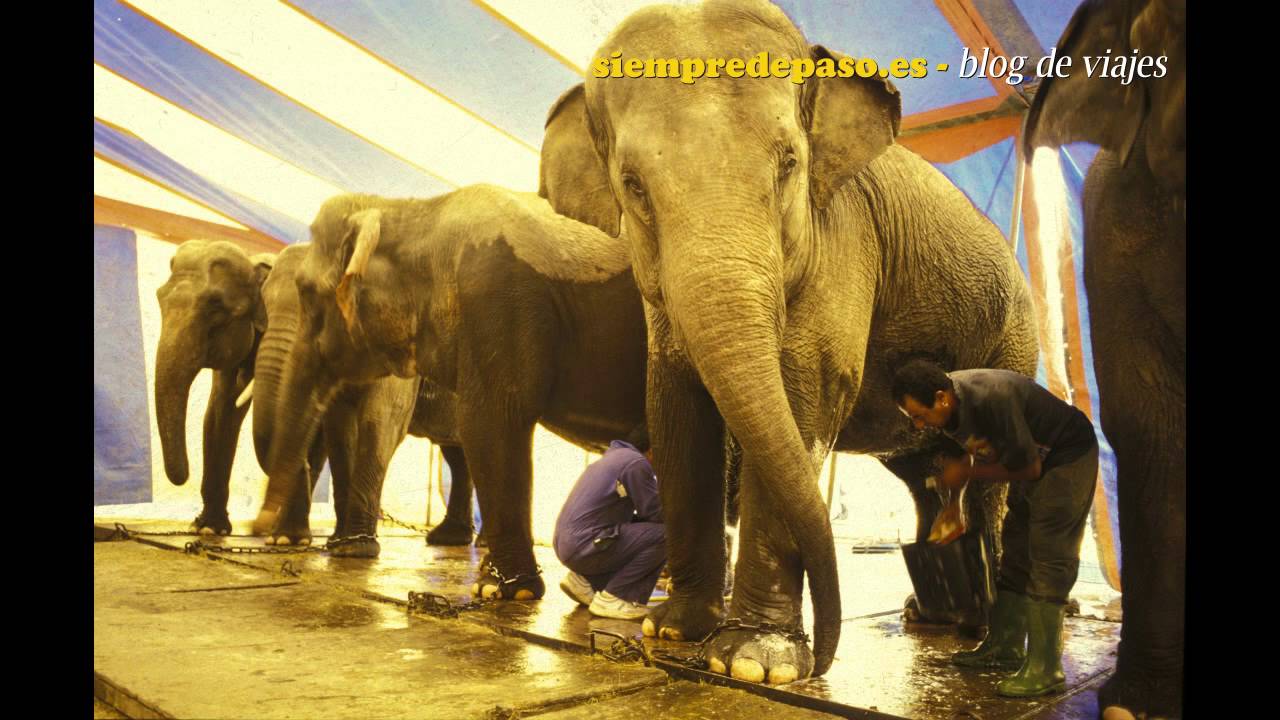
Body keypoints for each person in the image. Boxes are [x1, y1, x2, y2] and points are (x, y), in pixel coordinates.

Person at [891, 360, 1098, 698]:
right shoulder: (948, 409)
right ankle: (1005, 647)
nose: (917, 426)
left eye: (918, 415)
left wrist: (968, 476)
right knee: (1016, 546)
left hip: (1066, 456)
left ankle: (1046, 668)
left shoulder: (992, 399)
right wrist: (953, 505)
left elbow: (1029, 469)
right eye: (911, 417)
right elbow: (966, 457)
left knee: (1048, 555)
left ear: (941, 398)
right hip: (1031, 456)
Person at [553, 425, 664, 620]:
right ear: (652, 451)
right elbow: (654, 512)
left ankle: (585, 580)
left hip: (571, 544)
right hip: (586, 544)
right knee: (669, 535)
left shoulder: (613, 458)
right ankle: (617, 597)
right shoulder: (636, 463)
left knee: (641, 534)